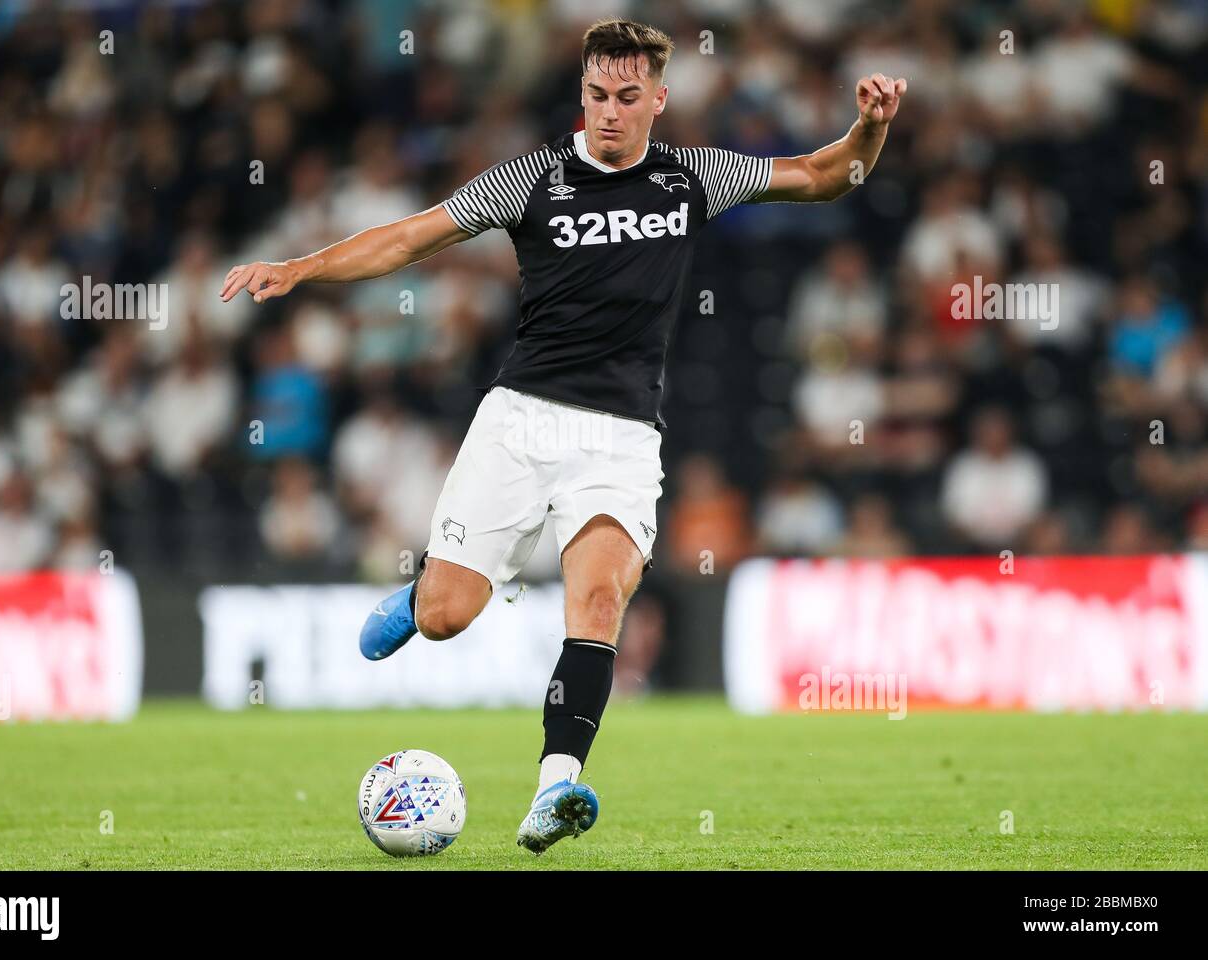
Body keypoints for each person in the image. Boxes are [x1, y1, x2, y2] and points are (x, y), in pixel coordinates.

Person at [220, 18, 906, 855]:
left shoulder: (693, 177)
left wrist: (867, 128)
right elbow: (409, 236)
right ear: (579, 94)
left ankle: (555, 789)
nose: (608, 113)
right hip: (519, 420)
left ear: (658, 99)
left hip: (620, 436)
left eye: (625, 98)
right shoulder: (534, 179)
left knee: (597, 603)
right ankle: (418, 594)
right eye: (594, 96)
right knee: (446, 618)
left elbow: (825, 176)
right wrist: (299, 268)